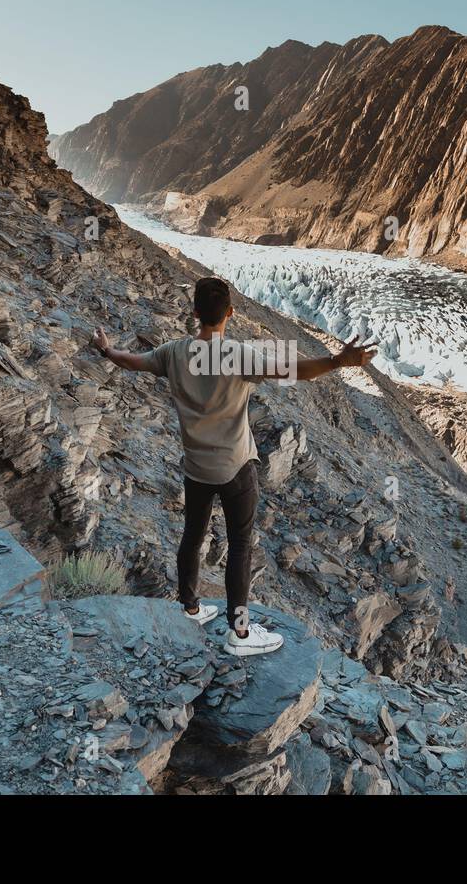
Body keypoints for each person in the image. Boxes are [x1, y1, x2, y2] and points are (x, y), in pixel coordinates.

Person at [91, 276, 376, 655]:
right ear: (230, 313)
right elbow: (293, 370)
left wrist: (107, 351)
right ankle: (239, 634)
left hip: (196, 467)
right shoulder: (237, 356)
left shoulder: (174, 353)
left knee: (192, 536)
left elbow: (132, 362)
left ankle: (189, 607)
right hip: (236, 467)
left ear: (195, 314)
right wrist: (339, 361)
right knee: (240, 545)